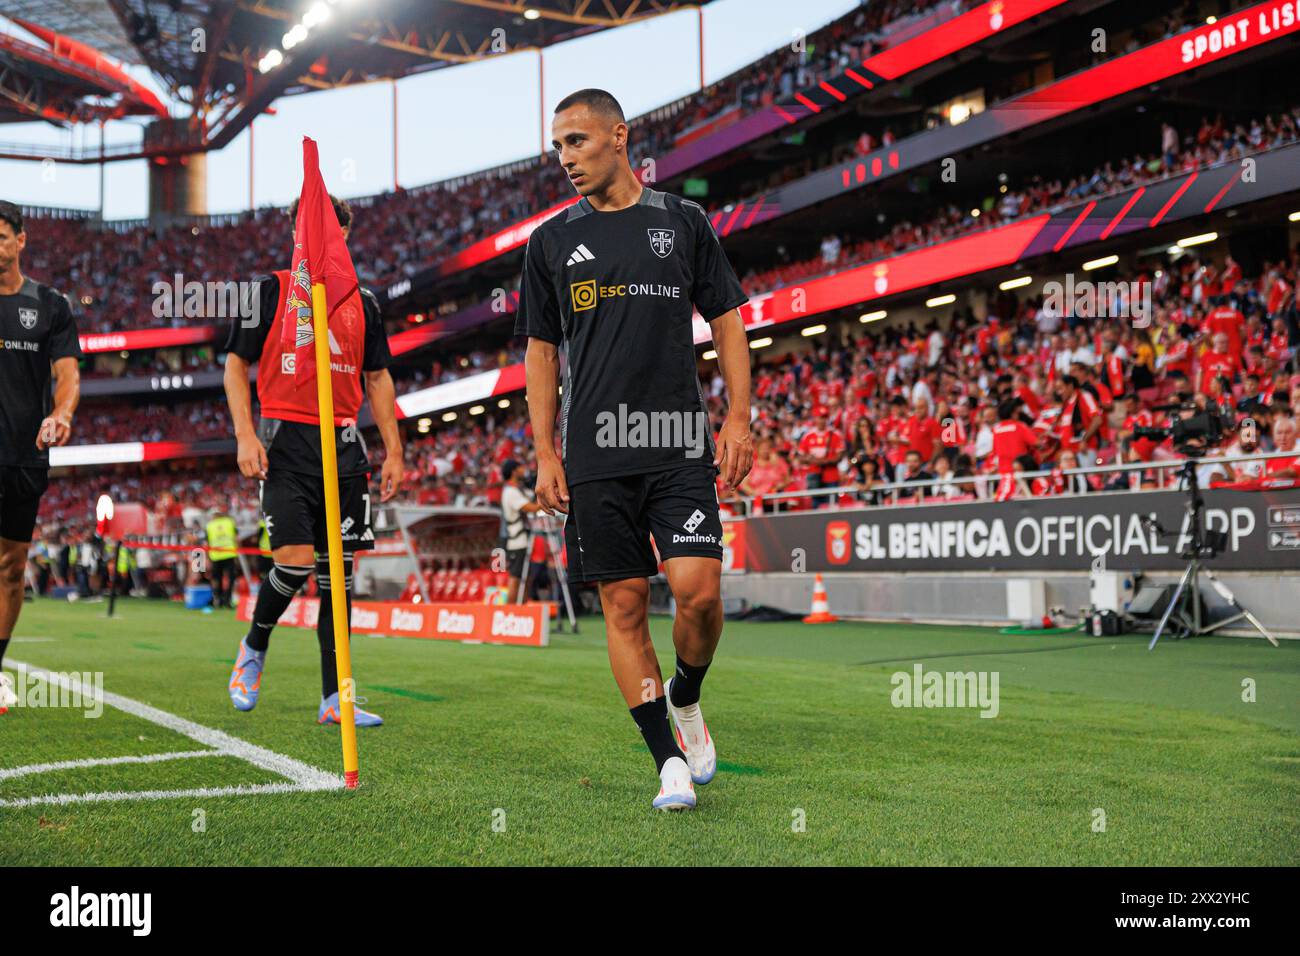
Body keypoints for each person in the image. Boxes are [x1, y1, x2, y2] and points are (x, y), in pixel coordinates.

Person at [517, 89, 752, 811]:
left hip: (679, 442)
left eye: (578, 142)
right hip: (595, 452)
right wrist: (546, 452)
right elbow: (540, 354)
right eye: (557, 146)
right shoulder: (550, 242)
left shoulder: (683, 221)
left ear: (619, 137)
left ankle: (687, 693)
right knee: (622, 608)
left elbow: (727, 318)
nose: (565, 159)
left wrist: (739, 416)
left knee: (699, 596)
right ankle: (667, 763)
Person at [223, 193, 404, 727]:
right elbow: (235, 365)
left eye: (336, 233)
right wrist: (245, 435)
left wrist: (394, 449)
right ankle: (253, 647)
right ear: (298, 235)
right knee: (296, 561)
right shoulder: (271, 290)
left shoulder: (364, 302)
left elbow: (378, 379)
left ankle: (335, 697)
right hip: (285, 442)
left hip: (345, 448)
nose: (328, 242)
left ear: (346, 238)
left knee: (338, 582)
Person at [0, 201, 82, 715]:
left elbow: (68, 375)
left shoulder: (50, 305)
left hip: (23, 459)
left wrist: (63, 415)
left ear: (21, 239)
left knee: (10, 569)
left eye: (1, 235)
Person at [500, 459, 543, 603]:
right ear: (513, 471)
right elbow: (531, 508)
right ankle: (510, 613)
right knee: (516, 577)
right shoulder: (511, 492)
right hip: (517, 541)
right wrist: (546, 499)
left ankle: (522, 611)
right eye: (520, 468)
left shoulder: (517, 489)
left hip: (523, 539)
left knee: (526, 578)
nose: (523, 470)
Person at [205, 509, 239, 609]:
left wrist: (207, 558)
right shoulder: (230, 522)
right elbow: (236, 538)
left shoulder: (209, 525)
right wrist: (238, 553)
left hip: (215, 555)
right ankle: (227, 600)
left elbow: (207, 543)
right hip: (229, 554)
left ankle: (218, 600)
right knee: (231, 578)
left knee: (216, 578)